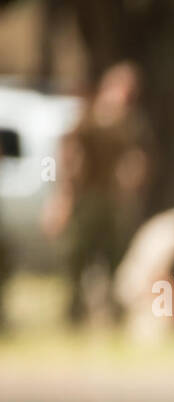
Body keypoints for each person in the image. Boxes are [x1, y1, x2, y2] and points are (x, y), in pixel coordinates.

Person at [44, 61, 153, 326]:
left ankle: (113, 315)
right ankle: (73, 314)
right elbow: (68, 156)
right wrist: (61, 199)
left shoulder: (132, 123)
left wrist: (134, 173)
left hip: (113, 201)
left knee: (114, 258)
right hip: (86, 199)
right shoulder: (89, 118)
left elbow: (140, 158)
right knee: (76, 258)